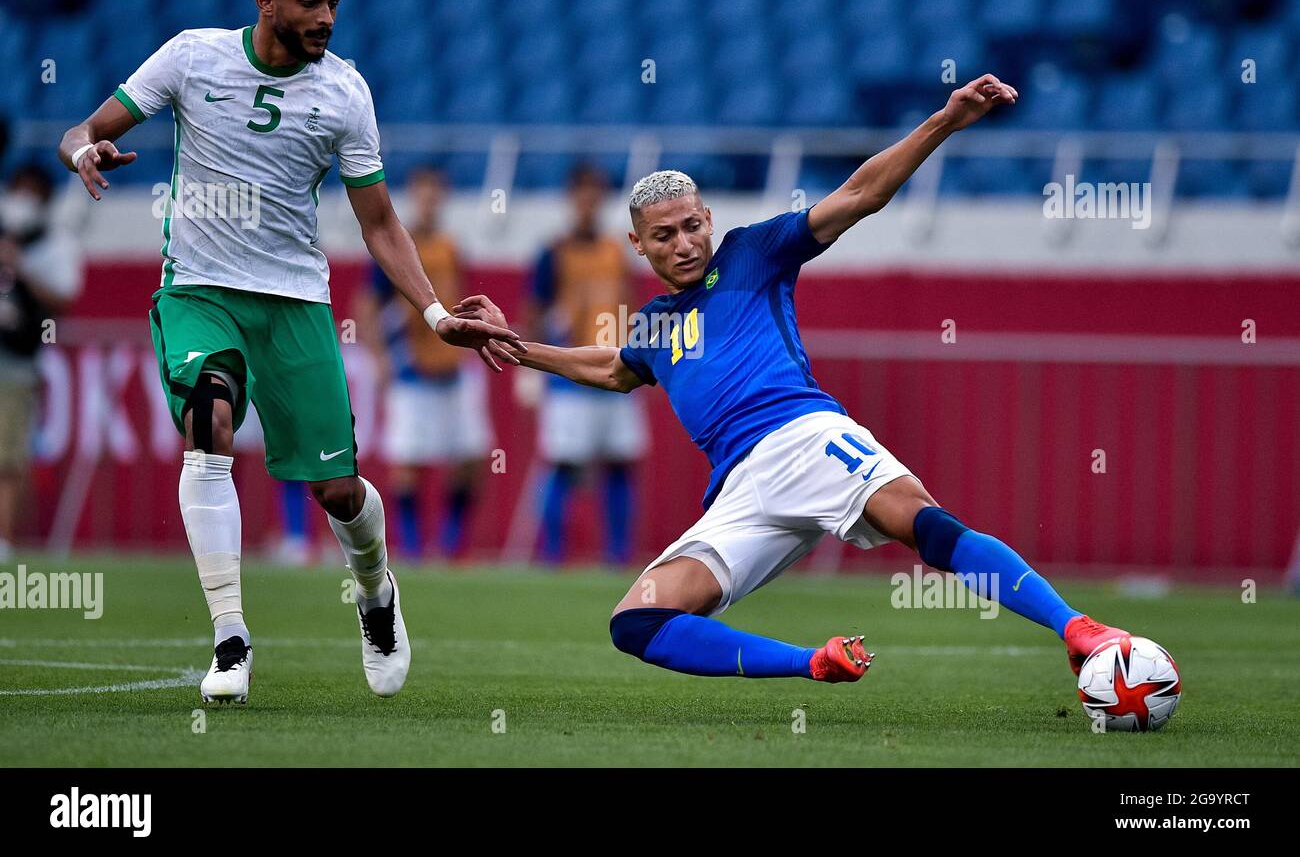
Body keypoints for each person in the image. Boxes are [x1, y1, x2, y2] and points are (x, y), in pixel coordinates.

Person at [457, 74, 1131, 683]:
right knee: (636, 621)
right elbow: (611, 368)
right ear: (639, 245)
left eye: (692, 225)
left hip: (804, 436)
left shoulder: (756, 252)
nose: (685, 243)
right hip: (740, 491)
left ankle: (1078, 628)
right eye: (665, 236)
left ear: (709, 220)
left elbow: (861, 194)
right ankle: (813, 662)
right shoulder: (656, 323)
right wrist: (516, 347)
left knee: (920, 523)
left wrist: (945, 121)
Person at [56, 0, 523, 704]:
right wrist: (85, 152)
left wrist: (434, 311)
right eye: (311, 0)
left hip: (295, 303)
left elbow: (379, 223)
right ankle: (231, 640)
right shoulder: (191, 58)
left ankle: (376, 595)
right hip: (200, 290)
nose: (327, 16)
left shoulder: (344, 94)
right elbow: (84, 128)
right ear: (264, 0)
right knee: (210, 414)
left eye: (335, 2)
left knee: (338, 492)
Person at [355, 166, 493, 559]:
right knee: (408, 462)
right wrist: (379, 357)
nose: (429, 202)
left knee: (469, 459)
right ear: (413, 198)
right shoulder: (399, 245)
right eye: (423, 194)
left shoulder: (451, 247)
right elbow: (367, 305)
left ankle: (450, 546)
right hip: (411, 370)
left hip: (451, 368)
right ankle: (413, 549)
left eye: (436, 194)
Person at [525, 164, 645, 565]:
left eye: (596, 193)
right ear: (572, 197)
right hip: (570, 377)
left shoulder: (615, 251)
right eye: (583, 193)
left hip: (616, 371)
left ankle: (618, 555)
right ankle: (552, 555)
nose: (589, 202)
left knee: (619, 463)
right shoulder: (553, 252)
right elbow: (535, 311)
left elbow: (628, 304)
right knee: (562, 463)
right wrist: (534, 361)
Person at [0, 163, 82, 561]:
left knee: (8, 454)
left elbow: (63, 298)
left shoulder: (52, 241)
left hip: (16, 358)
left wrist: (21, 266)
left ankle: (4, 538)